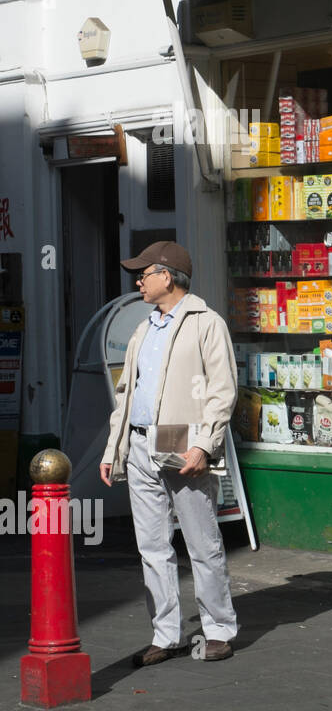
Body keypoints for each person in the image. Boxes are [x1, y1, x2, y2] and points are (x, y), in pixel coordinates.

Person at [99, 241, 239, 666]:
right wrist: (113, 448)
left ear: (167, 276)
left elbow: (223, 390)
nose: (138, 281)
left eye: (144, 273)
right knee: (152, 545)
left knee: (202, 540)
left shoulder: (205, 323)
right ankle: (166, 634)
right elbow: (127, 393)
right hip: (140, 441)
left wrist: (203, 444)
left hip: (181, 439)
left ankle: (218, 629)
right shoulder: (145, 327)